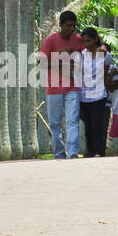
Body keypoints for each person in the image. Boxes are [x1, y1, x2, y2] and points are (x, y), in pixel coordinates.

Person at [41, 9, 86, 158]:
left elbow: (88, 55)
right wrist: (62, 65)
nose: (71, 29)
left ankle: (72, 153)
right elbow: (42, 63)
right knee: (55, 124)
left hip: (73, 87)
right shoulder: (50, 41)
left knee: (72, 121)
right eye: (68, 25)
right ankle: (59, 153)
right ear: (61, 25)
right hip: (53, 88)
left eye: (74, 26)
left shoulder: (78, 40)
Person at [78, 27, 115, 157]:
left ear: (95, 39)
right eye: (84, 41)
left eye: (88, 41)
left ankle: (99, 150)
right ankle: (90, 150)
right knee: (87, 125)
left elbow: (111, 70)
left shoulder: (104, 54)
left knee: (97, 124)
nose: (86, 44)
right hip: (84, 95)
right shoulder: (81, 55)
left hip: (99, 94)